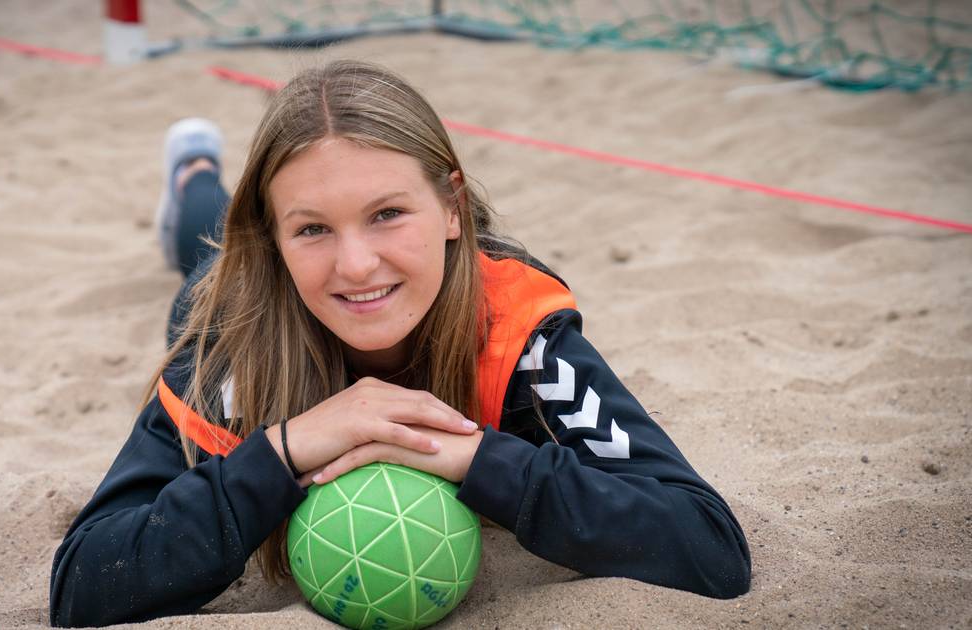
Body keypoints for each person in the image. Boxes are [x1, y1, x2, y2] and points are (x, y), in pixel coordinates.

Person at [49, 60, 751, 628]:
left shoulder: (518, 334)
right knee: (201, 253)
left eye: (386, 214)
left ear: (450, 204)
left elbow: (710, 547)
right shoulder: (228, 355)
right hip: (232, 294)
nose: (356, 265)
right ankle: (195, 173)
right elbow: (83, 585)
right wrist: (285, 450)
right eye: (312, 227)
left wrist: (482, 459)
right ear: (272, 237)